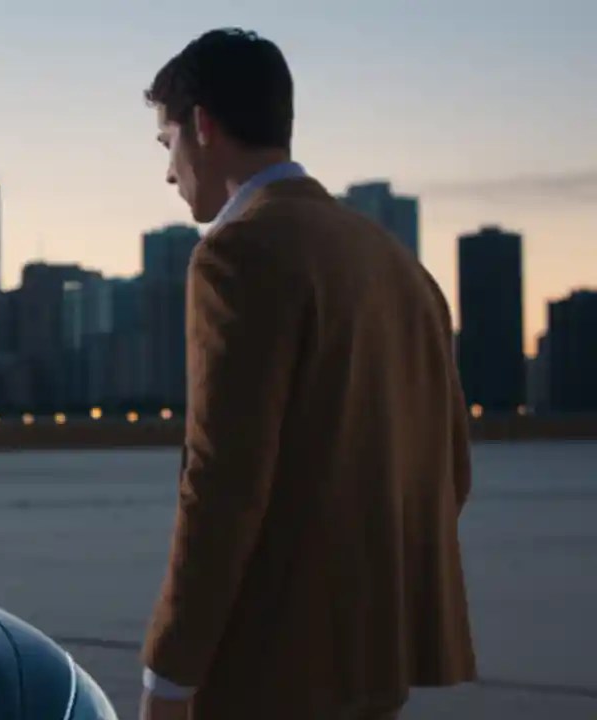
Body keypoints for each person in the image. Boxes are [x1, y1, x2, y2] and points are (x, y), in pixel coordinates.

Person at [138, 28, 477, 720]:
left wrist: (169, 676)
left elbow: (224, 483)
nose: (170, 172)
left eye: (166, 142)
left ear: (202, 125)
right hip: (376, 665)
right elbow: (451, 470)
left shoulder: (239, 252)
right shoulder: (395, 262)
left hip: (268, 676)